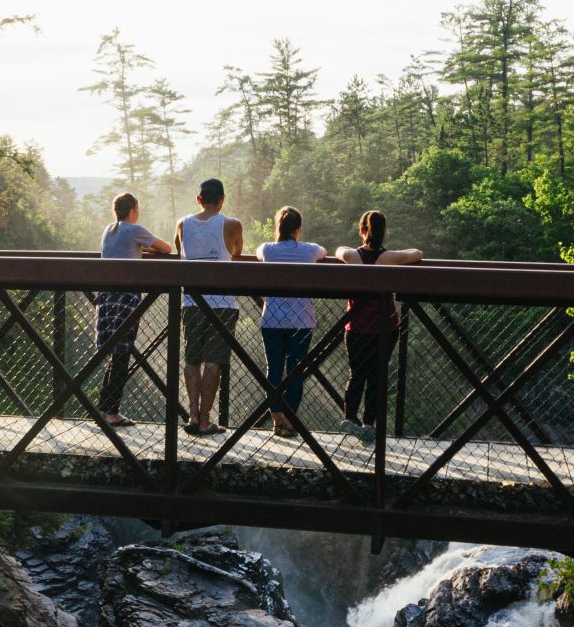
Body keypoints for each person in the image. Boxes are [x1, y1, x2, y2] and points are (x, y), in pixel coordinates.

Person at [334, 209, 422, 442]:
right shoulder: (390, 258)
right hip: (385, 327)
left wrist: (349, 248)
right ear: (384, 231)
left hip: (356, 327)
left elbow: (338, 250)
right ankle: (369, 425)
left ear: (362, 231)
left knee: (357, 374)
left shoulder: (353, 256)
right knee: (376, 376)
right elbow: (417, 253)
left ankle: (350, 418)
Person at [174, 177, 247, 436]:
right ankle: (205, 419)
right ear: (222, 200)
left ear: (199, 200)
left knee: (191, 358)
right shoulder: (231, 224)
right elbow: (237, 251)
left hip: (191, 301)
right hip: (223, 304)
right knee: (214, 361)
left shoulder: (183, 223)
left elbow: (178, 249)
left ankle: (192, 415)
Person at [95, 191, 173, 426]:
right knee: (122, 353)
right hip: (125, 299)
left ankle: (104, 408)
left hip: (106, 297)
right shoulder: (134, 230)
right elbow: (166, 248)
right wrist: (145, 248)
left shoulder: (109, 230)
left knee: (114, 353)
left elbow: (124, 250)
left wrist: (139, 249)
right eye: (137, 209)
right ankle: (111, 412)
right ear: (133, 210)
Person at [256, 206, 326, 437]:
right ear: (298, 229)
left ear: (278, 227)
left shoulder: (268, 250)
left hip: (273, 319)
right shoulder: (309, 251)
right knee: (295, 372)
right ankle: (289, 420)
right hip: (301, 320)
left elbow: (257, 252)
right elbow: (323, 252)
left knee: (273, 370)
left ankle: (277, 420)